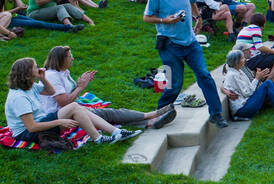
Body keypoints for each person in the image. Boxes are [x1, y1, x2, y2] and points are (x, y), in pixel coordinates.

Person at [144, 0, 229, 127]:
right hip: (168, 45)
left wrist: (198, 18)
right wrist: (164, 20)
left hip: (190, 43)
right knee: (174, 84)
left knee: (205, 75)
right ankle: (160, 113)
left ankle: (216, 113)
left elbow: (192, 3)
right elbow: (146, 17)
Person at [3, 57, 142, 145]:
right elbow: (31, 127)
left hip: (41, 121)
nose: (39, 67)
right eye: (35, 67)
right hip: (26, 133)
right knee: (74, 107)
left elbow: (50, 92)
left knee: (76, 107)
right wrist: (60, 122)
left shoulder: (30, 86)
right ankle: (103, 137)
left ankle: (114, 133)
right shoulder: (19, 98)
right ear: (27, 73)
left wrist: (43, 78)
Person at [42, 45, 176, 130]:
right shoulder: (52, 76)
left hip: (70, 108)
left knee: (109, 118)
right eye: (70, 57)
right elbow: (63, 102)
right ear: (61, 59)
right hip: (59, 115)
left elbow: (68, 96)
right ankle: (152, 115)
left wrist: (79, 84)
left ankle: (149, 122)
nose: (73, 59)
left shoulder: (63, 72)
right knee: (108, 114)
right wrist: (81, 87)